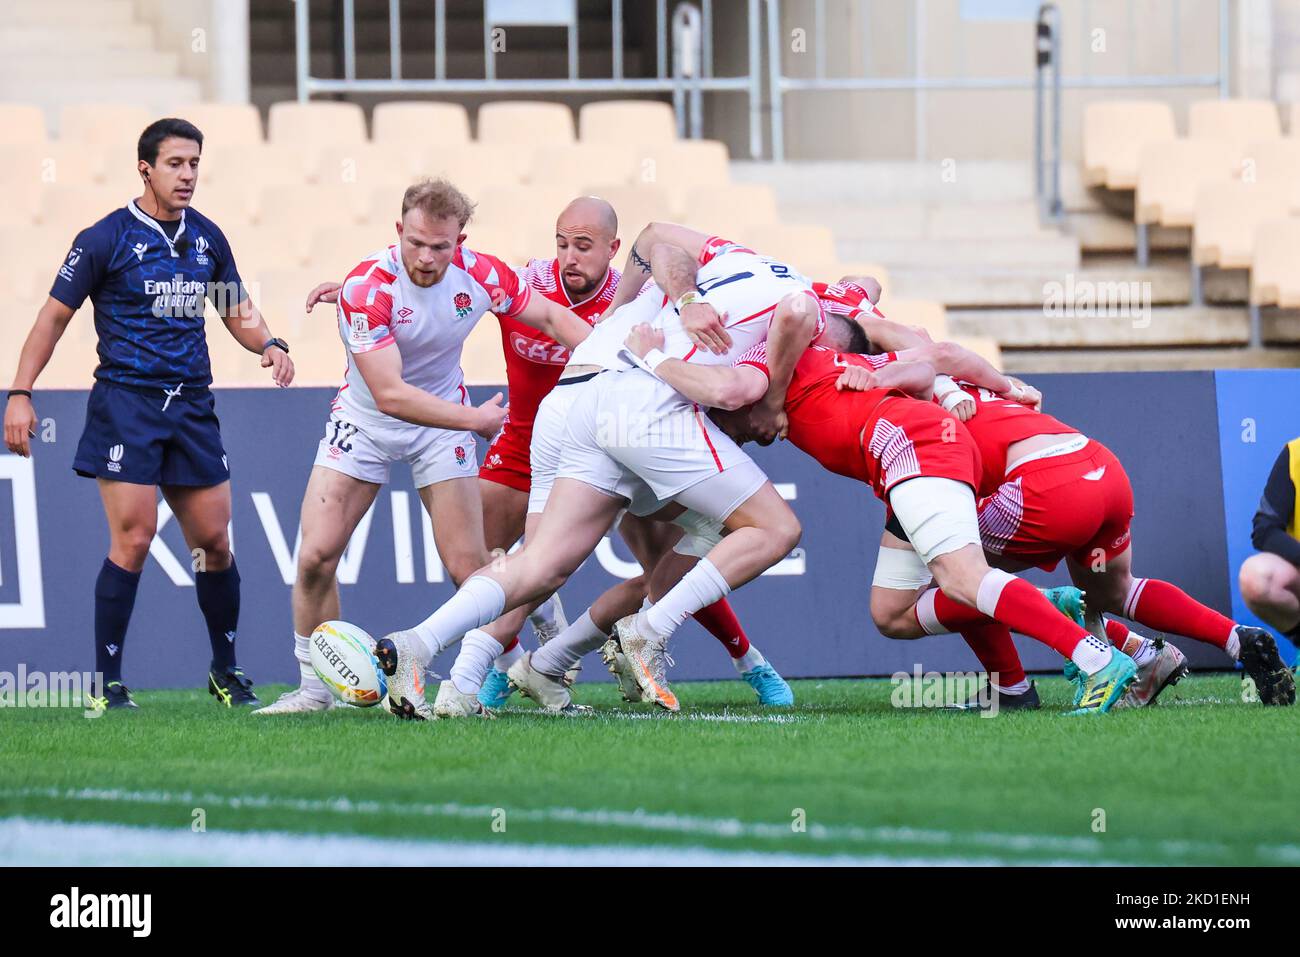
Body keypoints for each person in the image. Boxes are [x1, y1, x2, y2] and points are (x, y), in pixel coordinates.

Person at [373, 229, 818, 718]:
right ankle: (646, 633)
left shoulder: (721, 261)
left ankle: (432, 652)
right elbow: (748, 374)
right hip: (640, 399)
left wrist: (648, 301)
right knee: (757, 529)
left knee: (541, 565)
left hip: (576, 396)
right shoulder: (801, 306)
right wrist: (773, 401)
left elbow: (654, 236)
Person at [253, 179, 592, 719]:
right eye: (415, 243)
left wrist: (613, 359)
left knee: (468, 570)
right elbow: (389, 396)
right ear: (398, 232)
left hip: (442, 426)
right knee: (316, 556)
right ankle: (315, 690)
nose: (427, 257)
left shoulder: (482, 274)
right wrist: (476, 419)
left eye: (441, 246)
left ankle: (515, 673)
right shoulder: (367, 289)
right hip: (367, 421)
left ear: (461, 239)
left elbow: (551, 317)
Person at [3, 117, 294, 711]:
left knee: (214, 540)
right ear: (145, 168)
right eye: (175, 164)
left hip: (191, 406)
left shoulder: (208, 238)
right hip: (126, 405)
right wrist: (20, 392)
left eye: (194, 164)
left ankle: (224, 671)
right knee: (133, 539)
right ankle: (109, 684)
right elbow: (53, 317)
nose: (187, 175)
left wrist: (269, 343)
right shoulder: (103, 238)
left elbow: (235, 308)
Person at [865, 379, 1295, 709]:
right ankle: (1234, 638)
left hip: (1046, 487)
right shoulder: (957, 377)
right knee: (1114, 590)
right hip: (1099, 467)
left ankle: (1017, 683)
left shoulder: (906, 409)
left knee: (963, 577)